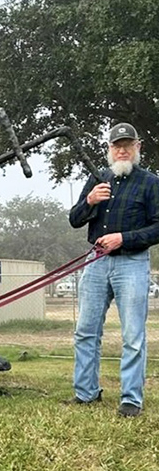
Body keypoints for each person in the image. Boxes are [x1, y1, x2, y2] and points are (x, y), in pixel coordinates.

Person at [68, 122, 159, 417]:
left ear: (137, 147)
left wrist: (124, 238)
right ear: (109, 149)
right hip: (95, 263)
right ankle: (86, 393)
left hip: (132, 263)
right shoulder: (97, 179)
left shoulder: (150, 183)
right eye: (116, 145)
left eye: (127, 144)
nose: (122, 149)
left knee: (132, 335)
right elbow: (75, 219)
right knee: (85, 331)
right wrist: (89, 201)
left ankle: (131, 399)